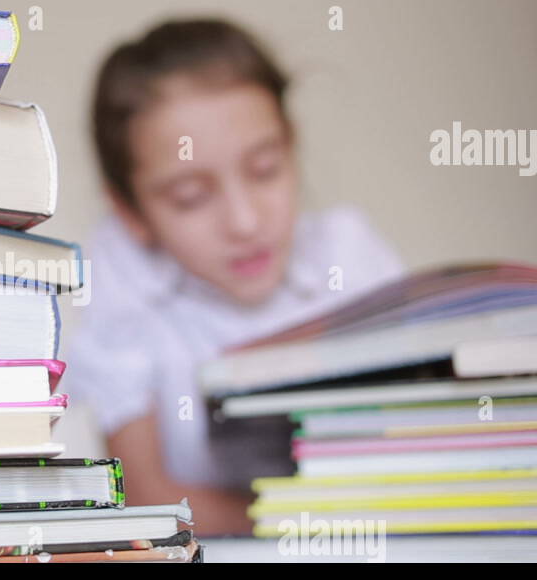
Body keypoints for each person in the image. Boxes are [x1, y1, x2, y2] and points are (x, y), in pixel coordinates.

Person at [66, 19, 405, 534]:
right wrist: (317, 523)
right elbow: (143, 497)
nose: (245, 222)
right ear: (131, 214)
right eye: (191, 197)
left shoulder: (348, 251)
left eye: (266, 168)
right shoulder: (125, 278)